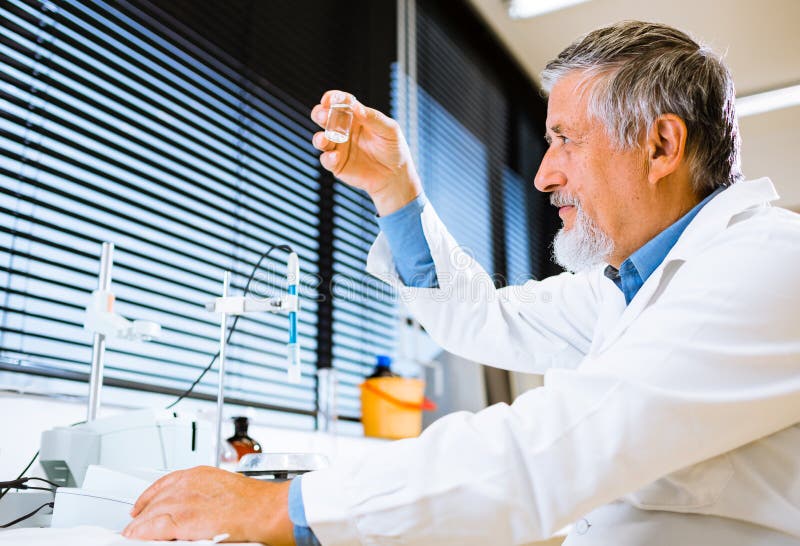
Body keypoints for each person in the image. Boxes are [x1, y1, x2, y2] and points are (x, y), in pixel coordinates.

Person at [123, 21, 800, 546]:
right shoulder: (625, 287)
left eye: (565, 139)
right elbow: (483, 319)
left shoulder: (767, 265)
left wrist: (282, 506)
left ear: (660, 146)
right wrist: (396, 189)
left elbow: (557, 446)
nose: (544, 175)